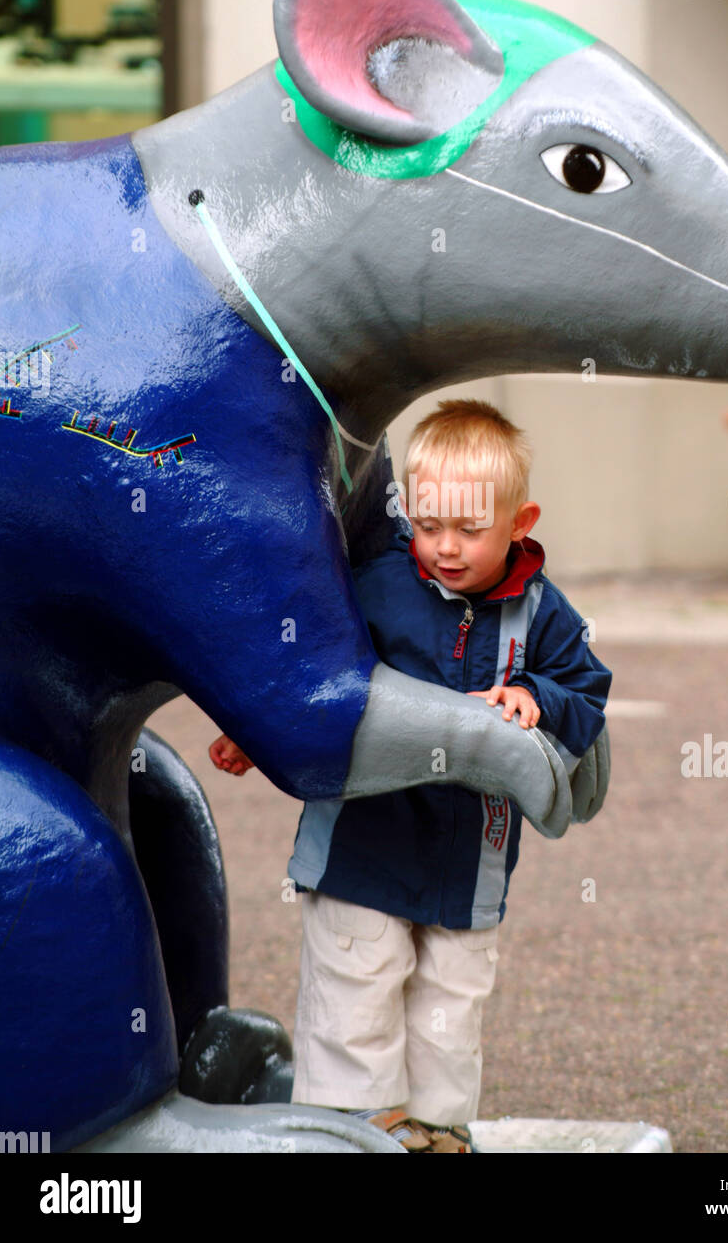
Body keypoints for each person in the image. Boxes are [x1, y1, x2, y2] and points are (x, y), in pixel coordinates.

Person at [209, 398, 612, 1152]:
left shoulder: (543, 615)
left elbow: (588, 691)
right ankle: (352, 1128)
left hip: (470, 862)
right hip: (362, 844)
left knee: (452, 1001)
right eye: (428, 527)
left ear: (520, 522)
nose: (446, 548)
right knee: (354, 989)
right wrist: (253, 726)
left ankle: (436, 1127)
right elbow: (309, 667)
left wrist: (539, 696)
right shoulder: (378, 583)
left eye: (469, 529)